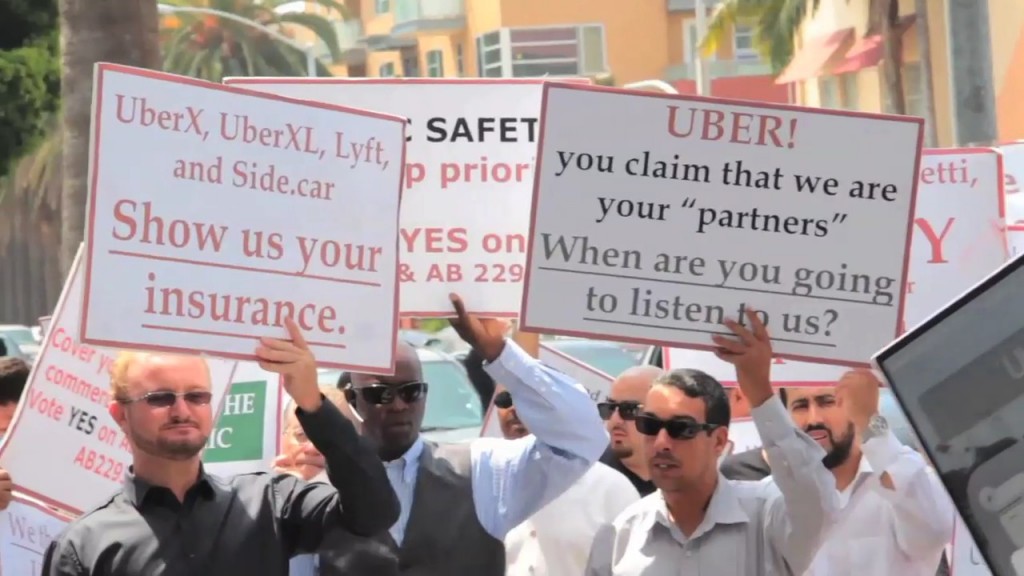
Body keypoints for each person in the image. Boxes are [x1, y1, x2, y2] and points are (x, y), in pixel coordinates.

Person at [41, 318, 399, 576]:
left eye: (197, 396)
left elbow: (374, 513)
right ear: (120, 414)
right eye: (160, 397)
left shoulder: (269, 503)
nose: (182, 410)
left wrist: (313, 405)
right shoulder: (84, 546)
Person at [325, 294, 608, 575]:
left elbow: (582, 435)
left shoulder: (482, 470)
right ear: (352, 398)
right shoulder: (321, 488)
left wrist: (499, 353)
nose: (399, 405)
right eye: (381, 394)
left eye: (412, 391)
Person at [585, 309, 839, 576]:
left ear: (718, 441)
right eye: (650, 425)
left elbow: (817, 500)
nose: (662, 442)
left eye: (681, 429)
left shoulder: (767, 518)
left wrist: (760, 391)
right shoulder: (620, 537)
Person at [779, 372, 953, 575]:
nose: (814, 419)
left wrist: (871, 422)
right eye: (800, 406)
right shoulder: (774, 497)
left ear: (853, 404)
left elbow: (934, 531)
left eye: (827, 402)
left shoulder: (907, 476)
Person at [494, 387, 639, 575]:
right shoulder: (478, 483)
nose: (514, 408)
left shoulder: (613, 490)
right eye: (505, 400)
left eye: (532, 398)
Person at [597, 365, 662, 497]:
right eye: (610, 408)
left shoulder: (687, 480)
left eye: (629, 410)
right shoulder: (586, 478)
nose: (615, 420)